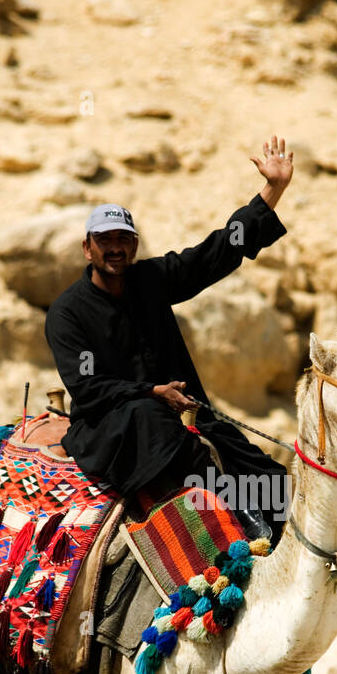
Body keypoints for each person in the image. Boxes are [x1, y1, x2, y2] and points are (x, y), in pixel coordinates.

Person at [44, 135, 293, 538]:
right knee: (152, 422)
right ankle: (233, 524)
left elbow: (215, 253)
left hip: (185, 414)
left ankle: (276, 551)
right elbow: (88, 388)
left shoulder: (151, 279)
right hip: (114, 425)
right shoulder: (67, 313)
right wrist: (152, 392)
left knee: (268, 474)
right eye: (105, 241)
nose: (115, 249)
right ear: (87, 249)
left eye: (123, 240)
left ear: (135, 245)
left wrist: (272, 190)